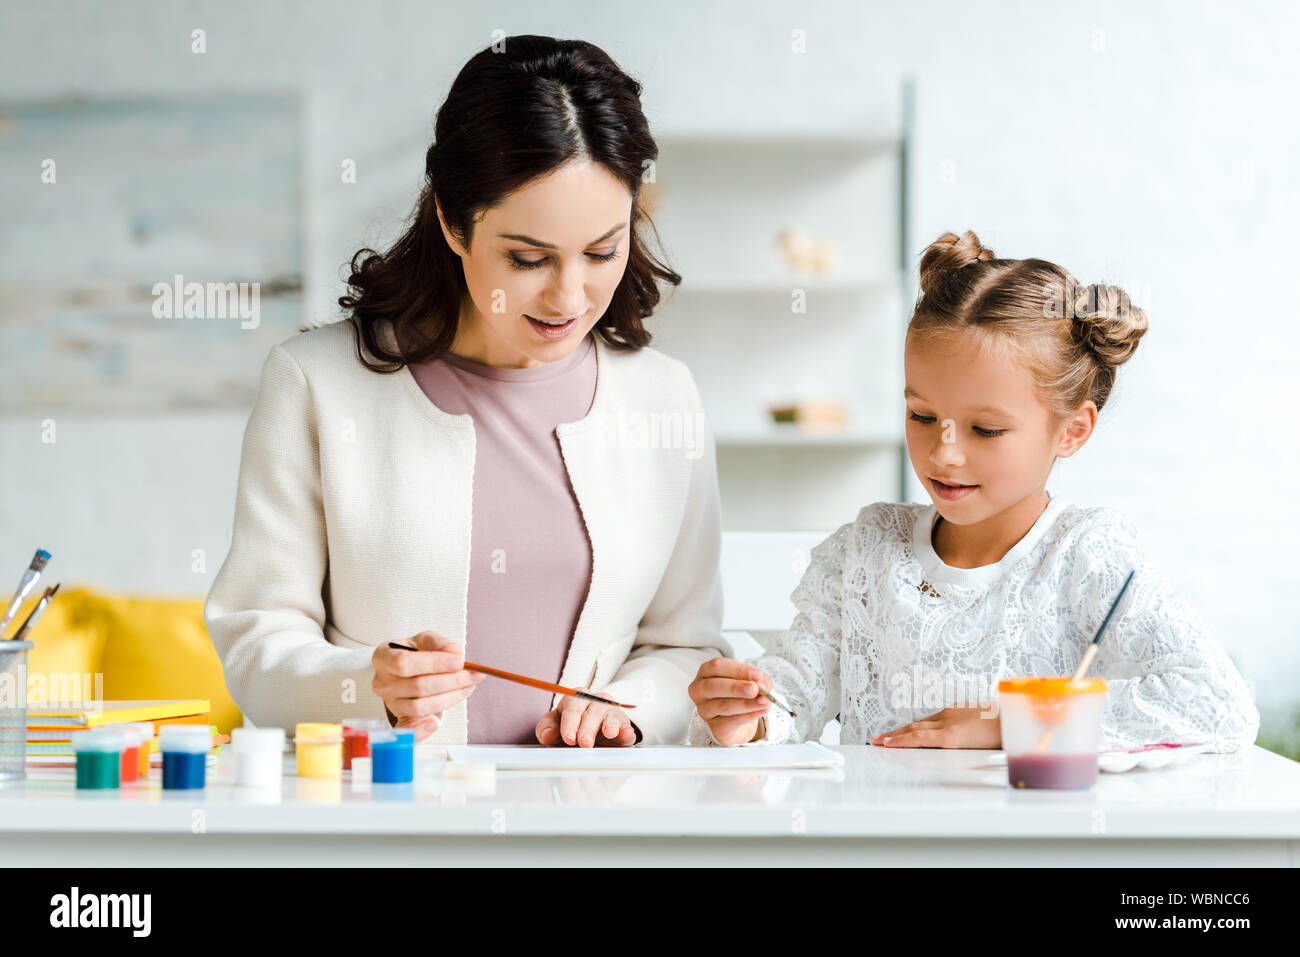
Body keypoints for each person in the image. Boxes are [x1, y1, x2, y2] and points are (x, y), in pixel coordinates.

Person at [206, 36, 726, 747]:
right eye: (527, 257)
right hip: (386, 822)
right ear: (453, 221)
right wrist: (370, 687)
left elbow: (688, 646)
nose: (569, 295)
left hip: (593, 822)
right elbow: (257, 637)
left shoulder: (665, 399)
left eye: (602, 251)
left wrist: (629, 709)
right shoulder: (316, 383)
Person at [688, 229, 1259, 751]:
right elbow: (792, 698)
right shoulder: (866, 552)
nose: (944, 452)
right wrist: (750, 717)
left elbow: (1217, 703)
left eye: (986, 429)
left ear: (1072, 430)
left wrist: (1010, 722)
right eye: (921, 415)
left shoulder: (1087, 555)